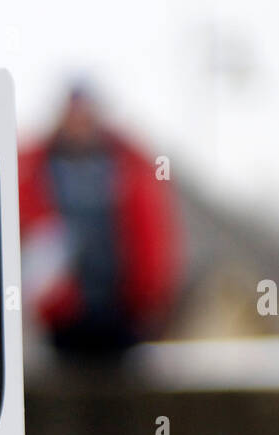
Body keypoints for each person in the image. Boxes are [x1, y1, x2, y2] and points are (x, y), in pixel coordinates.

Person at [19, 85, 180, 364]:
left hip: (123, 319)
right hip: (64, 323)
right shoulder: (35, 172)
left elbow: (154, 239)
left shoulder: (130, 167)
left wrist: (149, 298)